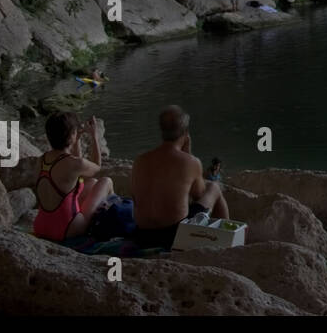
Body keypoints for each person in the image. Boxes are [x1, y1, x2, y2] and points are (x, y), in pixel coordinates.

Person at [130, 106, 230, 249]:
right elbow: (198, 195)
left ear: (162, 131)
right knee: (214, 187)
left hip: (142, 235)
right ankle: (226, 243)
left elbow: (135, 197)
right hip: (173, 236)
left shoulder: (140, 160)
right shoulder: (191, 162)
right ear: (185, 132)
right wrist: (188, 154)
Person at [32, 112, 113, 242]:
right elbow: (97, 167)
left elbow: (74, 171)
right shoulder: (75, 164)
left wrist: (77, 139)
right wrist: (94, 136)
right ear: (71, 135)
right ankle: (113, 221)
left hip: (41, 226)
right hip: (66, 229)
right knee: (106, 182)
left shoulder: (41, 160)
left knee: (92, 182)